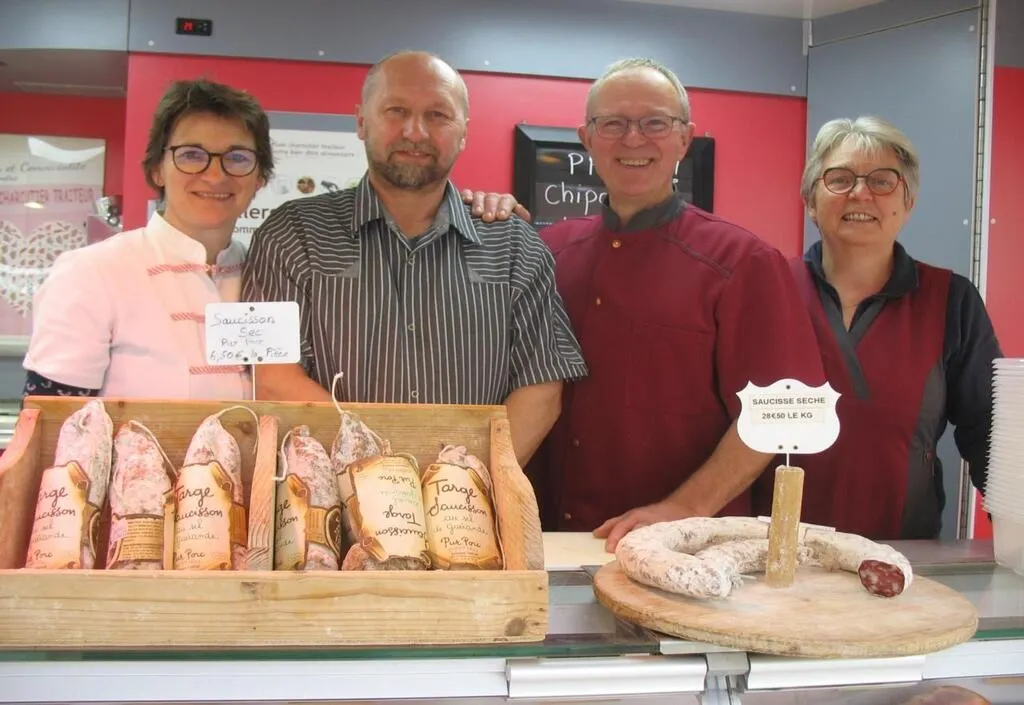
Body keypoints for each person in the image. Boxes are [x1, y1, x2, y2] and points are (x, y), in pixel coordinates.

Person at [23, 77, 522, 400]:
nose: (215, 174)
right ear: (157, 166)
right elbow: (53, 433)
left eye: (238, 157)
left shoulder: (259, 268)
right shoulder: (92, 273)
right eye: (192, 154)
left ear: (260, 177)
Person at [535, 58, 825, 550]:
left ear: (684, 139)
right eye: (614, 124)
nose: (633, 139)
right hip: (550, 541)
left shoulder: (743, 262)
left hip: (689, 547)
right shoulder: (547, 253)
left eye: (655, 123)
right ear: (586, 138)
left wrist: (685, 508)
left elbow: (783, 412)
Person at [243, 51, 588, 464]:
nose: (415, 131)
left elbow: (542, 389)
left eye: (438, 115)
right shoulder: (291, 234)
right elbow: (275, 380)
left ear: (464, 132)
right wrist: (382, 481)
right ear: (361, 121)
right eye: (396, 110)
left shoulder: (515, 245)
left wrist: (462, 486)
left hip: (469, 510)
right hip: (332, 506)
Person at [752, 116, 1000, 540]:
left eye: (883, 181)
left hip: (900, 556)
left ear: (908, 203)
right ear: (810, 201)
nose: (860, 193)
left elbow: (990, 435)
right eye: (839, 179)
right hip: (770, 554)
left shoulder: (951, 301)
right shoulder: (765, 292)